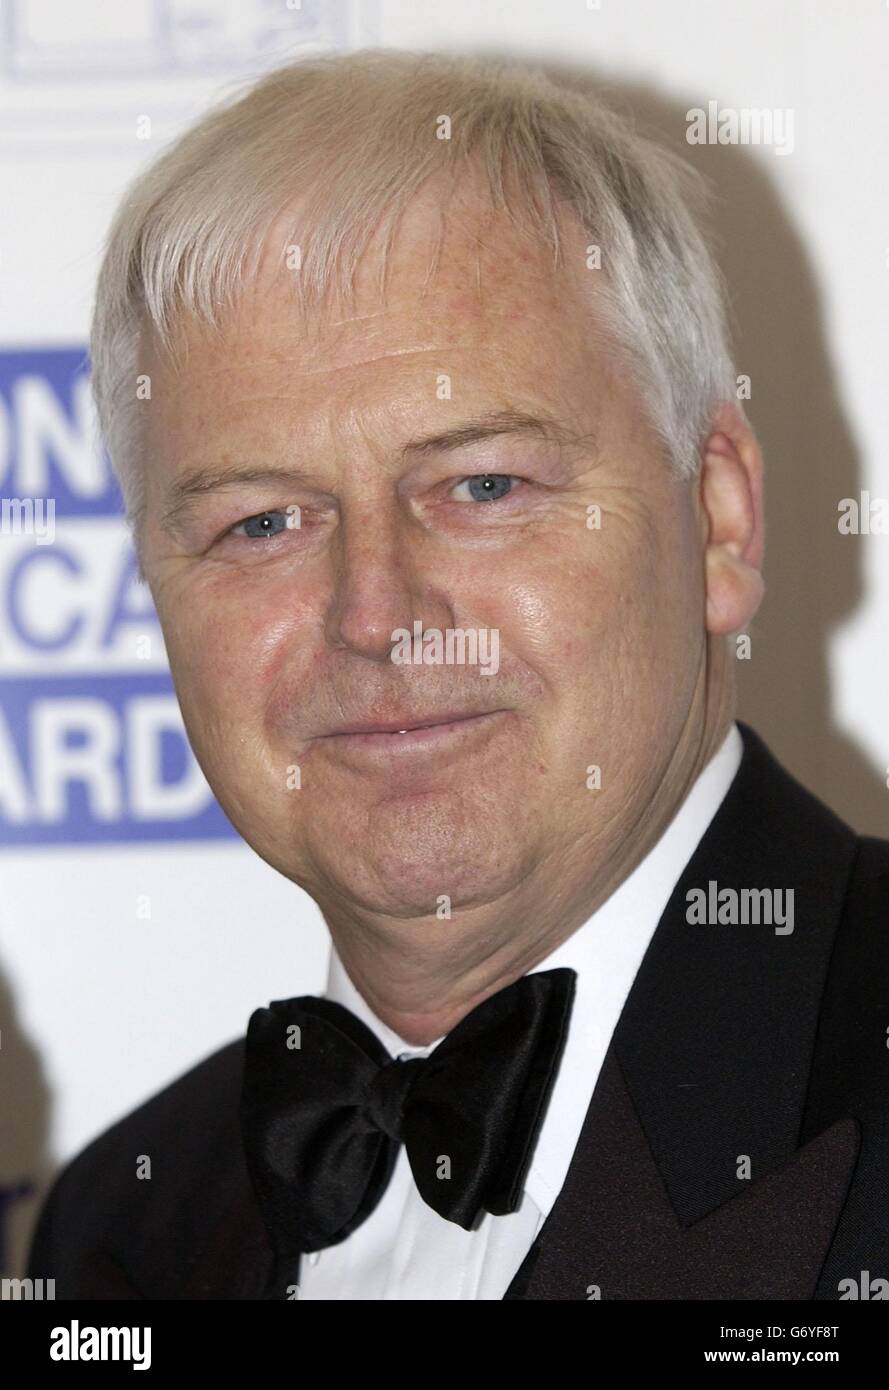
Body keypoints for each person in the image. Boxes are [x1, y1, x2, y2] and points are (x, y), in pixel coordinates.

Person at [27, 48, 889, 1300]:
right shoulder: (122, 1229)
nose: (375, 616)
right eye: (261, 521)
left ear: (716, 517)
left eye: (483, 485)